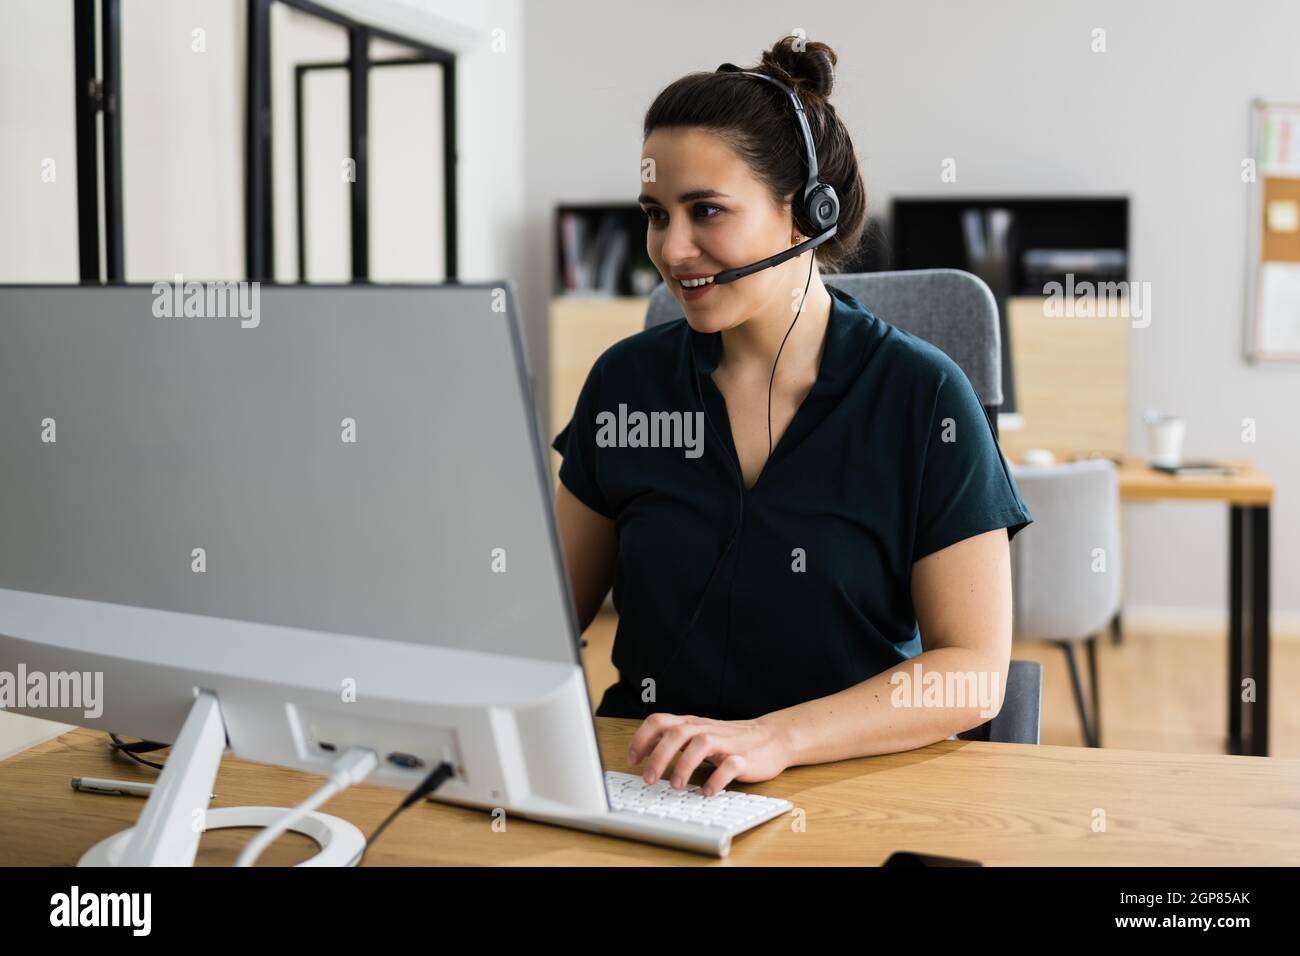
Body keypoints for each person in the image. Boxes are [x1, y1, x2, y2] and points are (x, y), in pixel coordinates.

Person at [552, 35, 1033, 798]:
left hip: (852, 787)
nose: (672, 250)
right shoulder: (624, 386)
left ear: (808, 214)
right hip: (651, 786)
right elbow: (545, 625)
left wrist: (777, 737)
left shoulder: (923, 399)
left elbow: (970, 675)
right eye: (655, 214)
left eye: (706, 210)